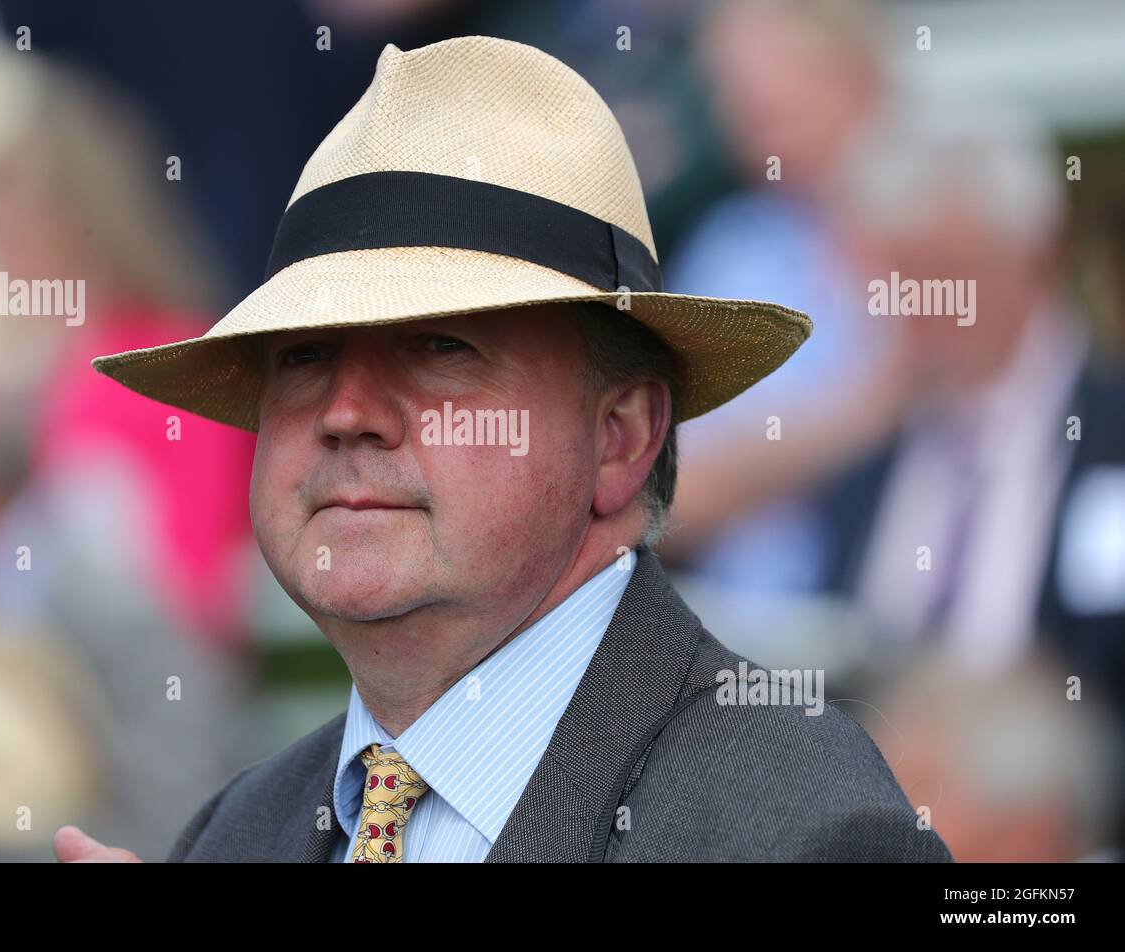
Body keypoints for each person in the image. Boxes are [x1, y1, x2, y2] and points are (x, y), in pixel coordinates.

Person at [54, 35, 952, 863]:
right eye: (304, 355)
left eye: (442, 347)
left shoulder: (801, 830)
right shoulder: (236, 832)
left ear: (620, 437)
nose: (347, 411)